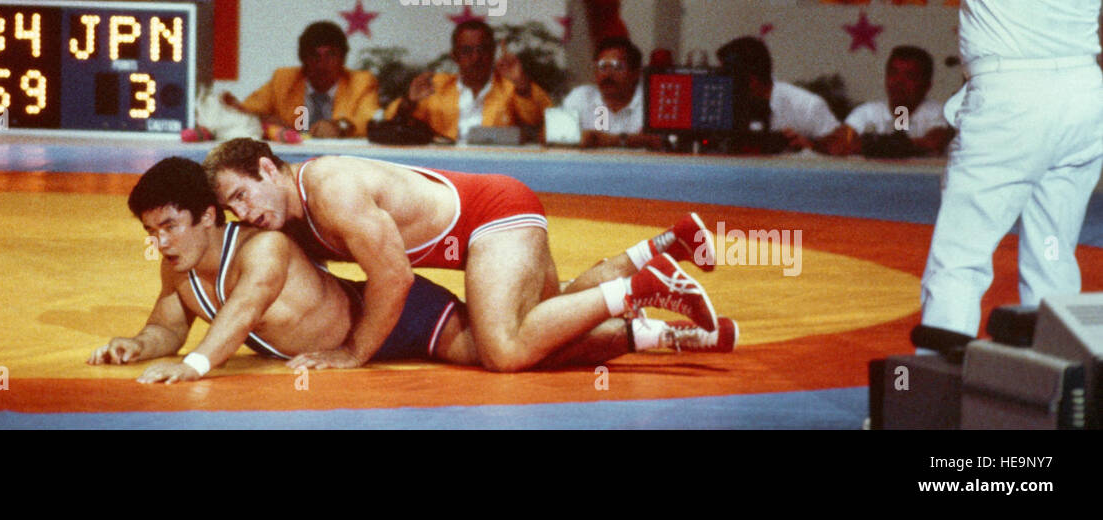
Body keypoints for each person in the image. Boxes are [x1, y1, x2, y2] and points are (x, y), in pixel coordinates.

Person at [100, 159, 734, 382]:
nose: (158, 242)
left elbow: (240, 316)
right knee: (549, 321)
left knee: (508, 351)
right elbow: (165, 326)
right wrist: (140, 344)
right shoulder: (190, 267)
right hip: (450, 255)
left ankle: (639, 291)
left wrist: (198, 364)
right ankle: (660, 285)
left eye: (167, 228)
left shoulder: (285, 229)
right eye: (150, 233)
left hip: (451, 260)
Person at [887, 0, 1103, 337]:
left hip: (1012, 99)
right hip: (1084, 97)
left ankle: (934, 393)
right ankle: (1057, 390)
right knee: (1053, 253)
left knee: (960, 255)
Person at [384, 19, 551, 141]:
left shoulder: (511, 86)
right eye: (467, 51)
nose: (476, 57)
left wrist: (522, 86)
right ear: (454, 56)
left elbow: (543, 120)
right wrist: (409, 102)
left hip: (498, 170)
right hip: (444, 168)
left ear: (493, 52)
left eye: (483, 49)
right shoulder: (436, 87)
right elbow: (389, 122)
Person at [230, 21, 379, 140]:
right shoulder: (283, 79)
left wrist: (338, 127)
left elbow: (371, 120)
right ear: (303, 58)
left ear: (343, 59)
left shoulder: (361, 82)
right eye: (314, 56)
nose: (322, 64)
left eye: (331, 55)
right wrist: (267, 120)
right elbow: (243, 112)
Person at [717, 36, 841, 153]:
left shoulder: (808, 106)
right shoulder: (720, 107)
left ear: (751, 81)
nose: (718, 82)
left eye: (725, 76)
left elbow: (843, 153)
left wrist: (810, 147)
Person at [834, 45, 953, 157]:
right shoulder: (867, 111)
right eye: (893, 73)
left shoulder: (940, 113)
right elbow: (840, 142)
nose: (898, 82)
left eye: (910, 76)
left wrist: (872, 145)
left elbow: (933, 144)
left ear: (927, 85)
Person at [560, 36, 663, 150]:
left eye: (618, 67)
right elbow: (549, 135)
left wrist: (612, 140)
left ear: (636, 73)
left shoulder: (654, 100)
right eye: (602, 67)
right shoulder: (581, 96)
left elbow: (664, 142)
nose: (608, 74)